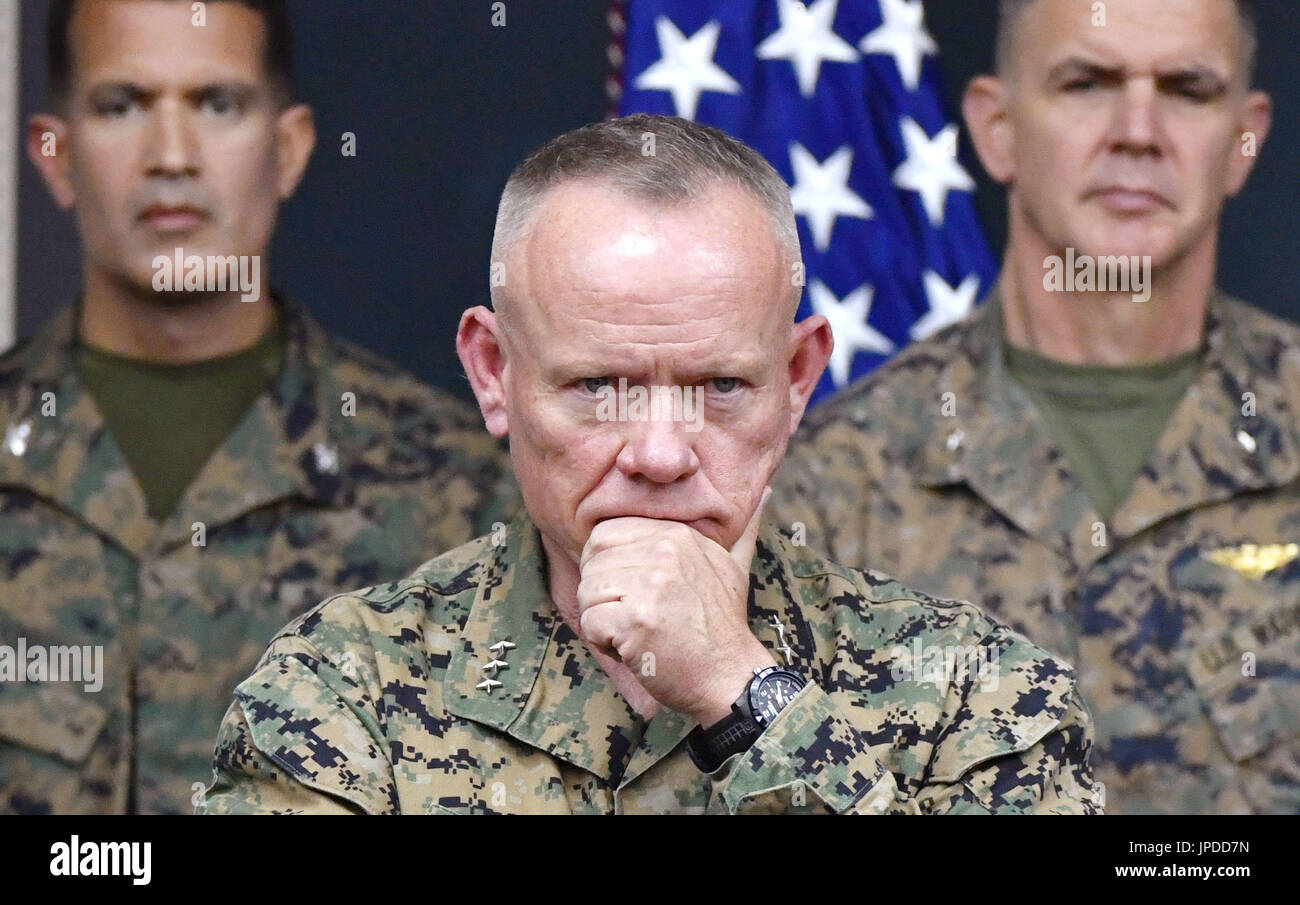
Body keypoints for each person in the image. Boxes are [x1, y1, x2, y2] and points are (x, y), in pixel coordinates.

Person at [202, 114, 1099, 814]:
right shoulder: (344, 689)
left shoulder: (977, 693)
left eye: (720, 386)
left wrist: (747, 696)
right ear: (494, 373)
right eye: (599, 385)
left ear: (796, 380)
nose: (662, 454)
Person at [771, 0, 1295, 813]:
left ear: (1244, 140)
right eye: (1087, 83)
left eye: (1187, 89)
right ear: (998, 128)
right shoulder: (830, 485)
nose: (1137, 132)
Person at [0, 0, 516, 814]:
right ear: (55, 155)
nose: (172, 156)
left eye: (217, 103)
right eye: (122, 105)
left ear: (289, 148)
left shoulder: (463, 491)